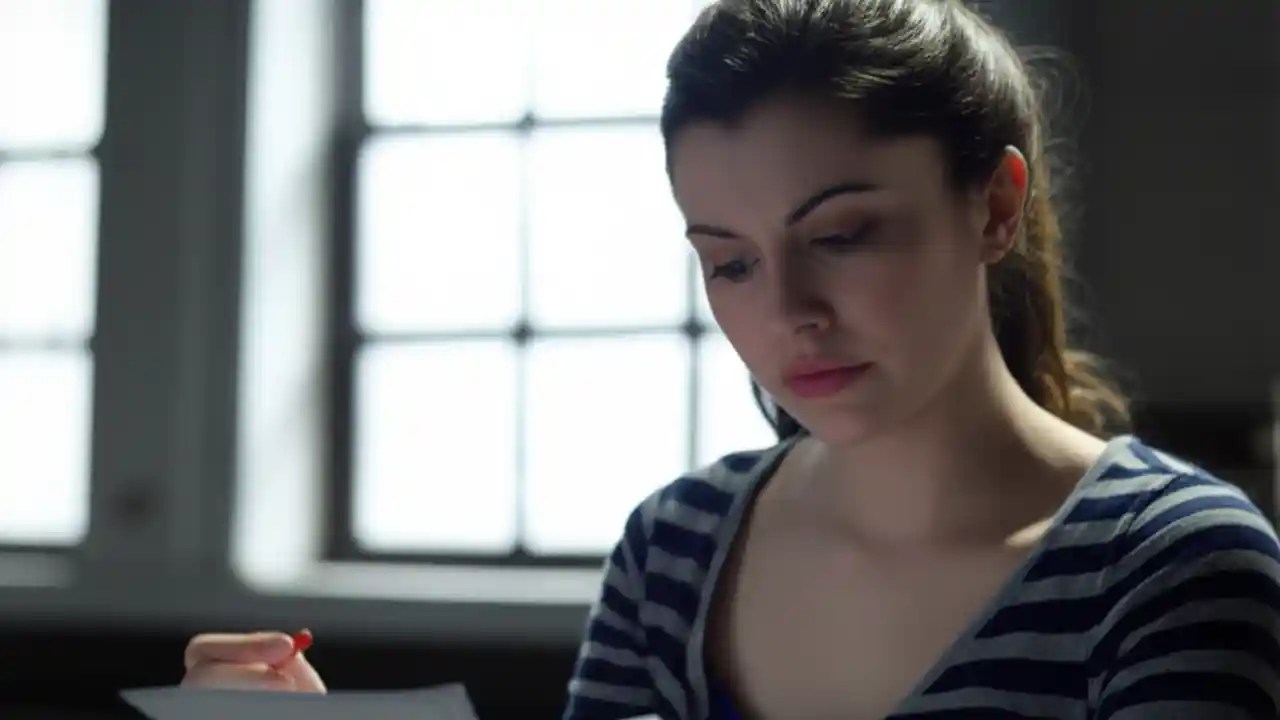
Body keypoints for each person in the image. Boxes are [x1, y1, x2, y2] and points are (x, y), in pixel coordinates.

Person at [182, 0, 1280, 717]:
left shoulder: (1170, 567)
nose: (788, 311)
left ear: (992, 206)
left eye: (840, 236)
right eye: (729, 262)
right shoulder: (674, 551)